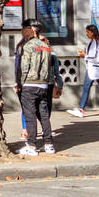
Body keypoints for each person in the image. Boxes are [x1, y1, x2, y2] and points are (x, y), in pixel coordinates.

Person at [17, 19, 60, 156]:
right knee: (44, 115)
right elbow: (49, 67)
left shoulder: (28, 46)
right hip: (43, 84)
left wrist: (20, 83)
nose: (22, 32)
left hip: (29, 83)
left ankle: (32, 145)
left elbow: (24, 67)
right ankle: (49, 144)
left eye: (24, 29)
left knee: (30, 115)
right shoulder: (46, 47)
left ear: (30, 30)